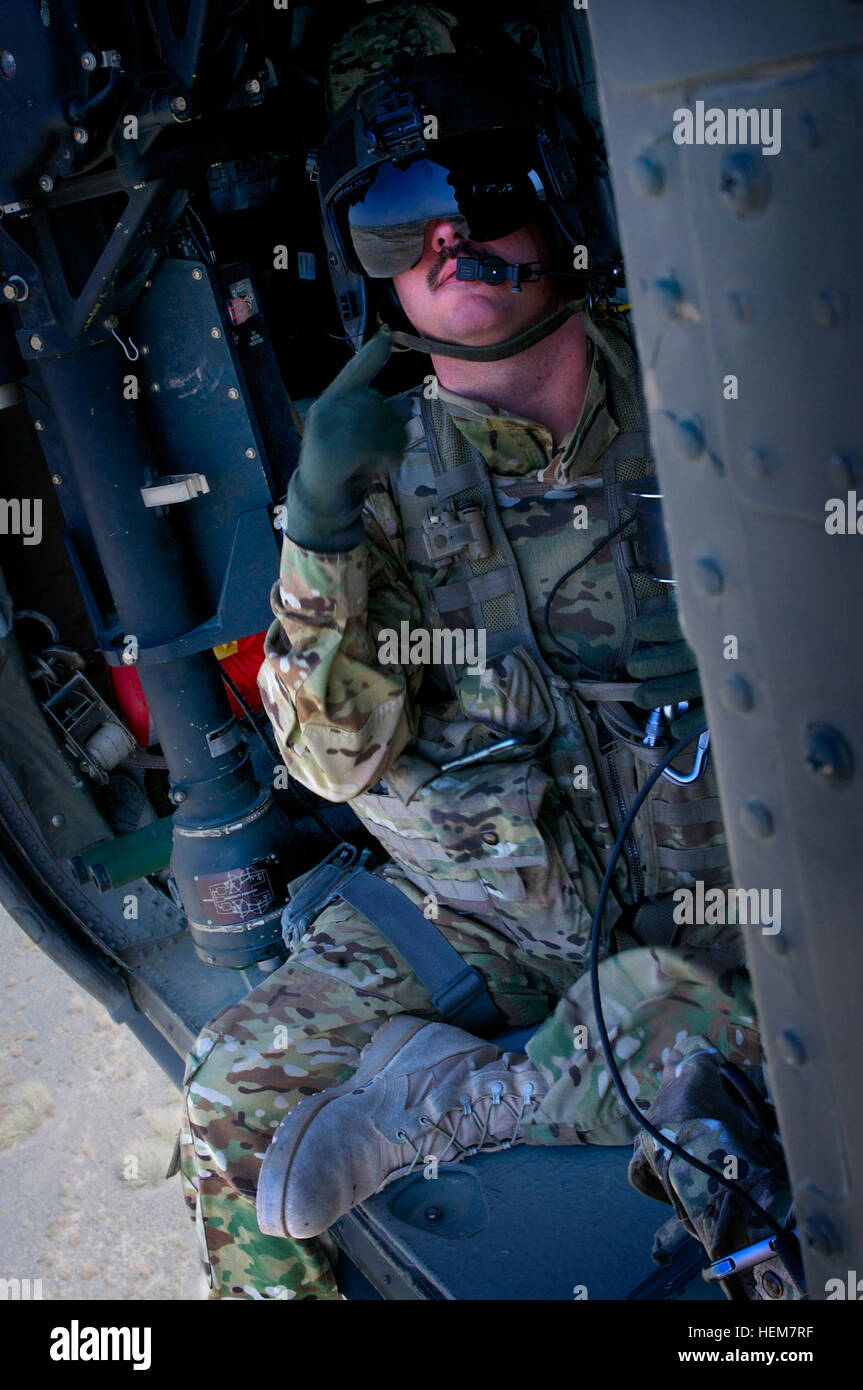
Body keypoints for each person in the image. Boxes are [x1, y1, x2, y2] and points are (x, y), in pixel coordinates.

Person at [178, 14, 798, 1302]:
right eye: (397, 218)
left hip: (724, 917)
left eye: (476, 189)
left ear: (557, 210)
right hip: (480, 925)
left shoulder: (713, 404)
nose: (447, 234)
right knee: (232, 1107)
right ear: (376, 279)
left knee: (711, 1035)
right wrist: (321, 529)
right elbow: (335, 760)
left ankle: (494, 1095)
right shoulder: (367, 483)